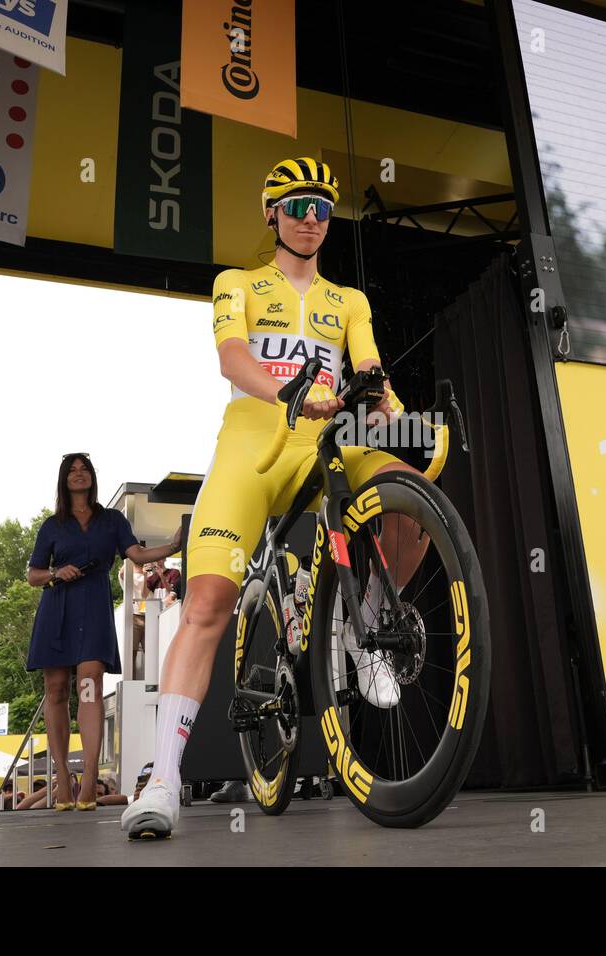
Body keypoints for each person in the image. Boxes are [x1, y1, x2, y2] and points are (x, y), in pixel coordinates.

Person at [121, 157, 430, 840]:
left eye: (322, 207)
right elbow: (232, 357)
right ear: (272, 213)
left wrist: (387, 406)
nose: (311, 219)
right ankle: (164, 780)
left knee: (413, 488)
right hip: (253, 447)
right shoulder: (237, 282)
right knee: (206, 603)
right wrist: (289, 390)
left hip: (326, 440)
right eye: (297, 206)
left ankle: (370, 620)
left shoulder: (348, 300)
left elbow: (371, 367)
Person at [26, 454, 178, 812]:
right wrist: (54, 573)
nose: (79, 475)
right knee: (56, 689)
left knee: (90, 684)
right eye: (72, 471)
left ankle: (89, 778)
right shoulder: (51, 525)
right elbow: (33, 574)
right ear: (64, 480)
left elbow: (136, 554)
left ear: (92, 478)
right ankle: (63, 777)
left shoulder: (112, 520)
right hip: (56, 610)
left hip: (93, 607)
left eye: (85, 470)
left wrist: (174, 545)